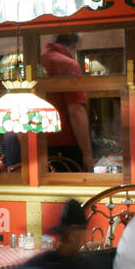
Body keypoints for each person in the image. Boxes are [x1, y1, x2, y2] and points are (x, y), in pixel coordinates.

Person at [40, 33, 92, 170]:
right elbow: (76, 111)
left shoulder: (36, 61)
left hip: (36, 145)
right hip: (65, 149)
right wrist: (87, 155)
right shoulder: (68, 64)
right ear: (74, 46)